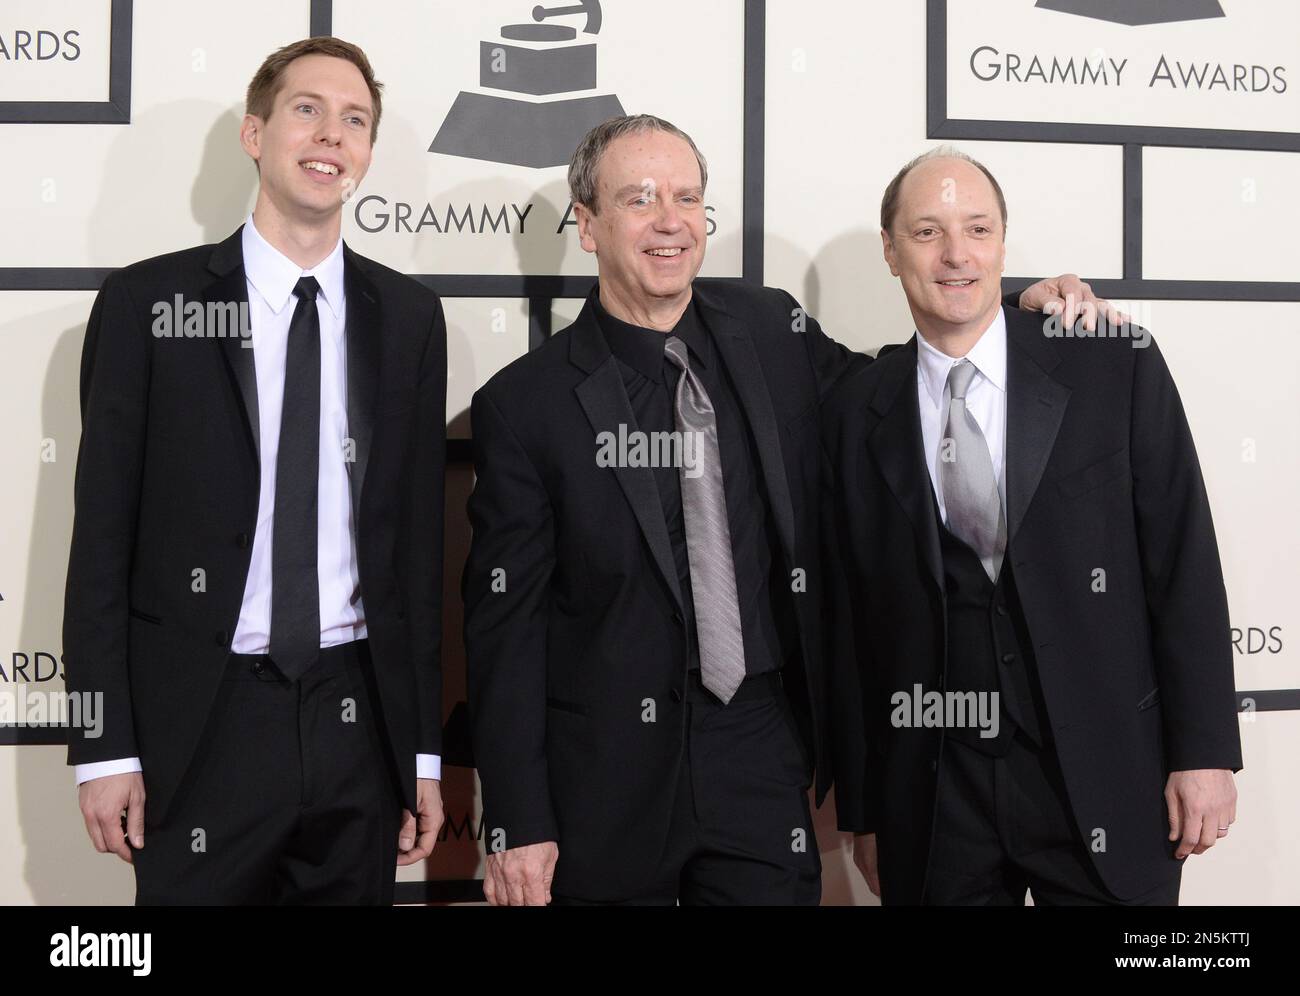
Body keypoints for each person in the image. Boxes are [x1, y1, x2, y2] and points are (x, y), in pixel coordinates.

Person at [463, 115, 1102, 905]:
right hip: (603, 777)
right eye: (640, 199)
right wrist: (517, 819)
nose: (671, 220)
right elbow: (506, 630)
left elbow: (895, 392)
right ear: (587, 225)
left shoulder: (770, 328)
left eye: (688, 197)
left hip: (762, 749)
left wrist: (1007, 313)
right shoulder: (524, 406)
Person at [64, 37, 447, 904]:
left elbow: (416, 563)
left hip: (358, 720)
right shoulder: (146, 306)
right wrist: (105, 745)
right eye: (307, 110)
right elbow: (101, 546)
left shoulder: (411, 321)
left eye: (355, 120)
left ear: (368, 154)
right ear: (254, 134)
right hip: (203, 722)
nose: (331, 135)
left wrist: (420, 752)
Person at [823, 146, 1241, 905]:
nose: (957, 253)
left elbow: (1182, 560)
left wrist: (1204, 751)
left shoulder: (1112, 364)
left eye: (977, 229)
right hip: (936, 798)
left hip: (1106, 777)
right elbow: (855, 624)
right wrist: (868, 809)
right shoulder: (857, 407)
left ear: (1004, 243)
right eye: (927, 232)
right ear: (889, 250)